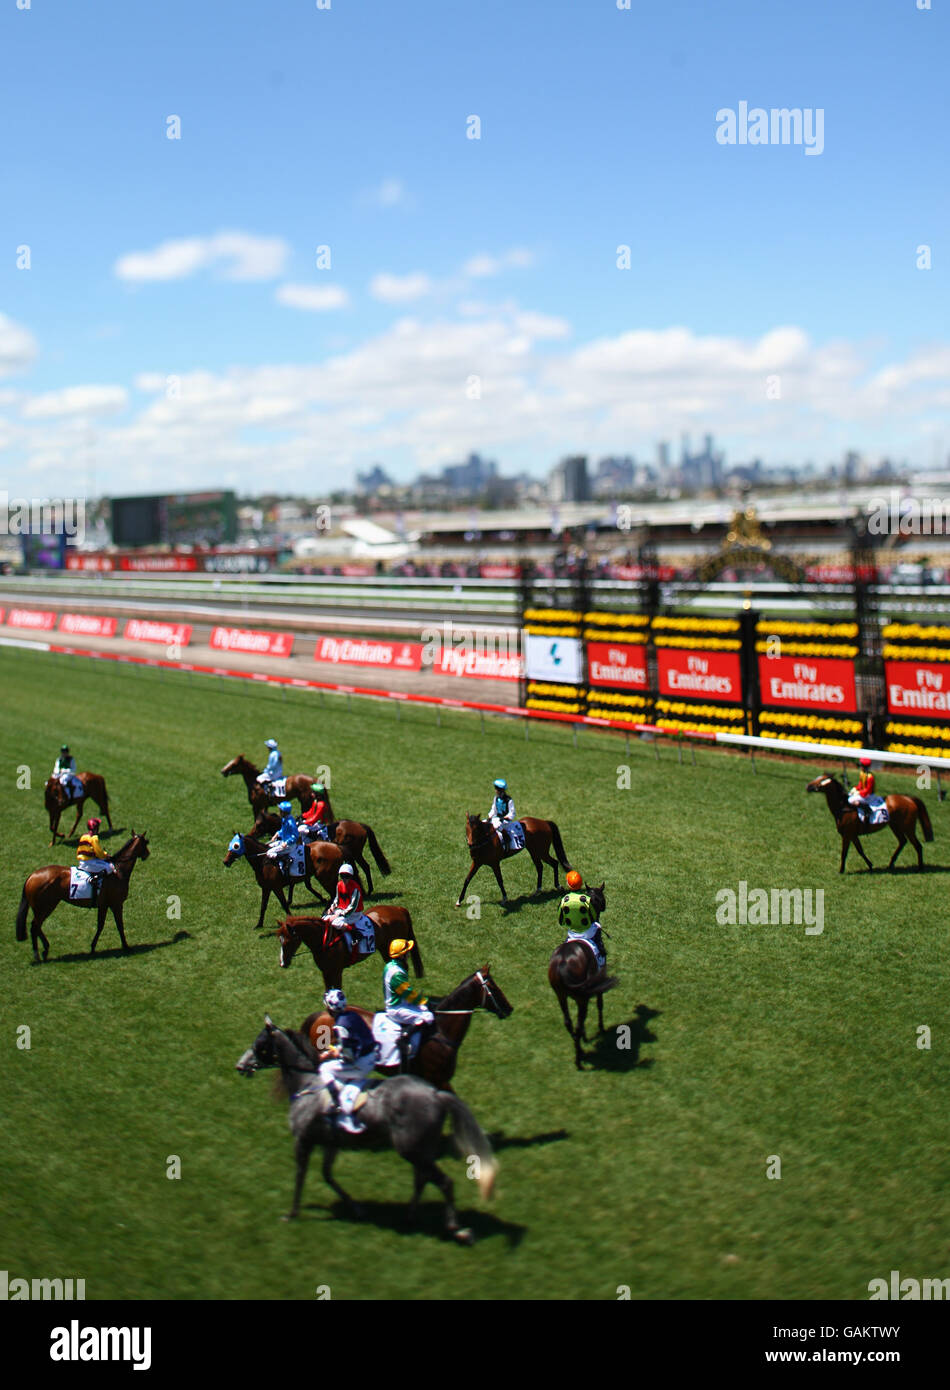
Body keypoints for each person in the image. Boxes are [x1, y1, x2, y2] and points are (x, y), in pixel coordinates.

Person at [317, 988, 377, 1133]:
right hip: (371, 1055)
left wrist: (332, 1054)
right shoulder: (352, 1014)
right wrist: (336, 1049)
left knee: (325, 1069)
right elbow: (352, 1040)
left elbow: (348, 1056)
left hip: (361, 1062)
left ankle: (339, 1108)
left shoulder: (340, 1026)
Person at [382, 939, 433, 1067]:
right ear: (402, 955)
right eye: (407, 952)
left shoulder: (391, 966)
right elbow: (407, 993)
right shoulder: (397, 973)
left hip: (400, 1003)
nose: (409, 955)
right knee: (428, 1016)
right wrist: (423, 1002)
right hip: (397, 1008)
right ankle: (405, 1037)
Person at [324, 863, 375, 955]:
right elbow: (337, 899)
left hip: (354, 913)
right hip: (341, 909)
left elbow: (352, 907)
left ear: (350, 876)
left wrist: (338, 914)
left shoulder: (355, 888)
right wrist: (332, 908)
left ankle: (355, 933)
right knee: (324, 919)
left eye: (347, 876)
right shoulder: (339, 885)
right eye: (342, 876)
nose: (344, 879)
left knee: (336, 922)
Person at [558, 880, 606, 968]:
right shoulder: (587, 900)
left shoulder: (564, 900)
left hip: (572, 934)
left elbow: (561, 921)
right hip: (587, 933)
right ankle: (601, 960)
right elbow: (593, 917)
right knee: (598, 939)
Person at [487, 777, 524, 852]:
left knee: (497, 825)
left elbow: (512, 813)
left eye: (497, 789)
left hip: (505, 821)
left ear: (501, 790)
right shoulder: (496, 798)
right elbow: (493, 809)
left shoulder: (509, 800)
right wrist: (490, 816)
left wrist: (505, 817)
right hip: (496, 818)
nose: (496, 790)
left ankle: (507, 838)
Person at [265, 800, 302, 875]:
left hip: (289, 845)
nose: (279, 812)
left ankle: (286, 859)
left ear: (284, 812)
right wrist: (277, 834)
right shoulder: (284, 819)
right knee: (268, 846)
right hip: (282, 841)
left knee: (269, 852)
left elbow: (295, 835)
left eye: (280, 811)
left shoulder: (290, 822)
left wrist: (287, 842)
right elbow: (283, 830)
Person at [76, 818, 116, 883]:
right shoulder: (94, 838)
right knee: (110, 867)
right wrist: (106, 855)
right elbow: (99, 853)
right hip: (89, 863)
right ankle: (95, 879)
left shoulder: (83, 836)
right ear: (96, 828)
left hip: (81, 861)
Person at [849, 757, 884, 824]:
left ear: (864, 766)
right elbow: (860, 785)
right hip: (864, 794)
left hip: (869, 796)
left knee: (850, 800)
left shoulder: (870, 777)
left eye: (861, 766)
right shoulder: (862, 773)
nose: (860, 767)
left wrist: (859, 792)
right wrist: (855, 789)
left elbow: (868, 790)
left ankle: (867, 810)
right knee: (849, 795)